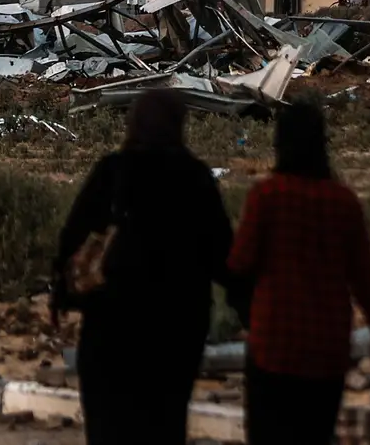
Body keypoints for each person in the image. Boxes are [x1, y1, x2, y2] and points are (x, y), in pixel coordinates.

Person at [51, 89, 233, 445]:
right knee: (165, 426)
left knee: (108, 428)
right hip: (175, 333)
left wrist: (61, 294)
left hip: (110, 329)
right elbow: (222, 256)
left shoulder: (112, 172)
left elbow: (72, 240)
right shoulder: (194, 178)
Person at [228, 100, 370, 445]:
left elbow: (239, 264)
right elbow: (365, 276)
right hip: (327, 347)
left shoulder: (267, 196)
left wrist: (246, 315)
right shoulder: (343, 201)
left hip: (273, 342)